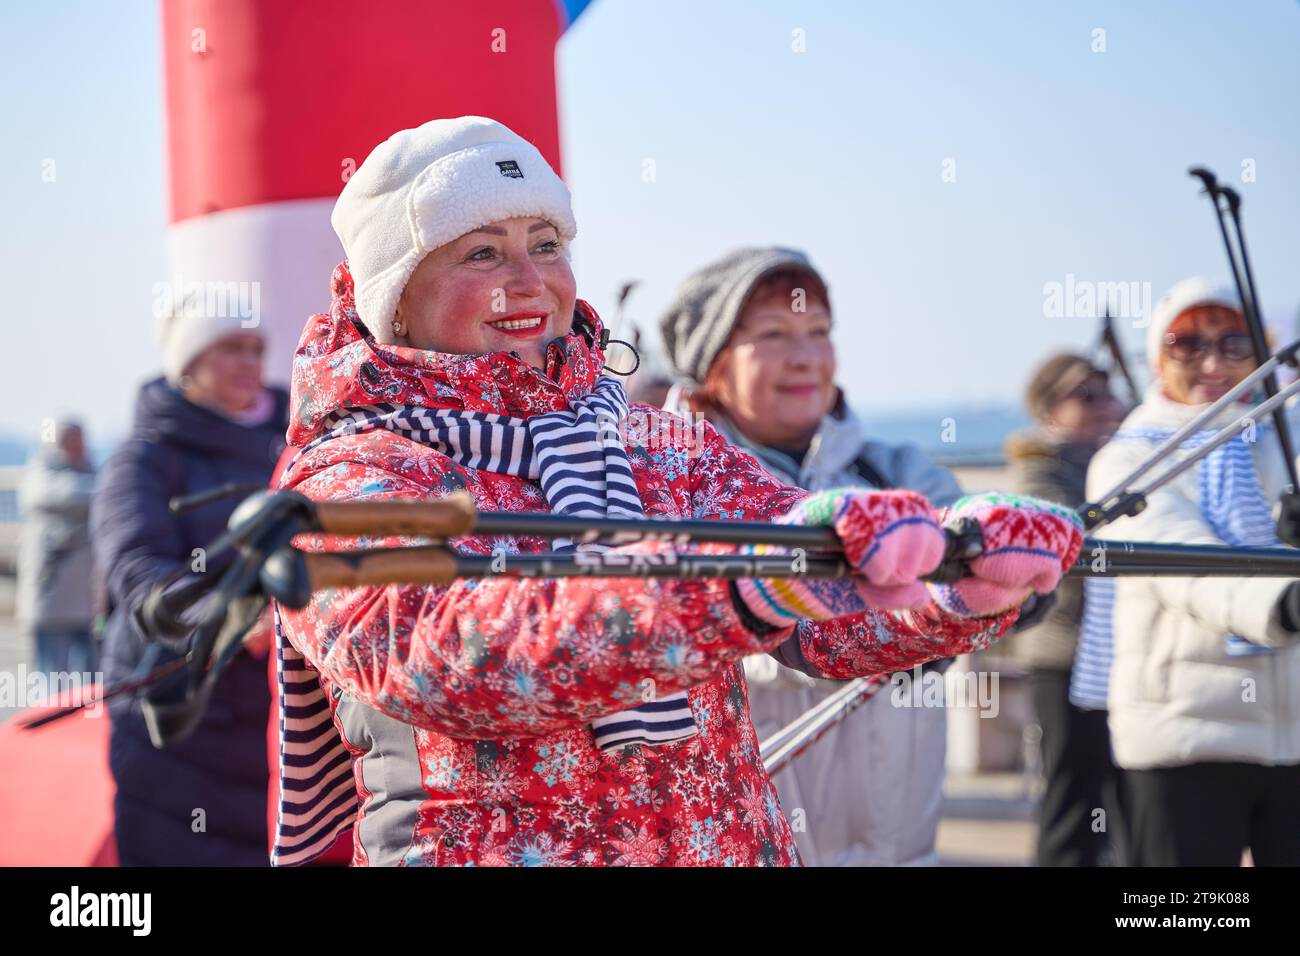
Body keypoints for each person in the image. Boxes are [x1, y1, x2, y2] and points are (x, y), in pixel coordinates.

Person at [271, 115, 1083, 867]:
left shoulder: (656, 441)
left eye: (546, 243)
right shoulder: (350, 476)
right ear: (396, 299)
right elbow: (452, 660)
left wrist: (958, 585)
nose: (527, 280)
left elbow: (814, 602)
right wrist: (728, 589)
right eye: (481, 253)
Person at [657, 246, 963, 866]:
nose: (804, 356)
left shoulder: (896, 471)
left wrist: (1000, 578)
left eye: (818, 332)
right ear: (711, 364)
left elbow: (971, 574)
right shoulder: (663, 485)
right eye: (772, 334)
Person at [1083, 277, 1300, 866]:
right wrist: (1283, 604)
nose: (1212, 362)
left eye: (1235, 345)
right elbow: (1186, 566)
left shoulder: (1289, 433)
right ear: (1157, 357)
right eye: (1187, 345)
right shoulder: (1129, 458)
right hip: (1183, 738)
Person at [90, 298, 288, 866]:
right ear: (187, 362)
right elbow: (138, 571)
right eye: (230, 347)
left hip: (273, 717)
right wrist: (234, 620)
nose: (250, 362)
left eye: (257, 348)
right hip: (178, 719)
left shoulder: (296, 442)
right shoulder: (144, 459)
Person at [999, 353, 1125, 866]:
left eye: (1106, 391)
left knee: (1123, 803)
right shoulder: (1038, 474)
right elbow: (1062, 545)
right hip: (1064, 659)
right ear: (1050, 412)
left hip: (1113, 659)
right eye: (1085, 396)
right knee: (1072, 799)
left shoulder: (1111, 463)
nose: (1105, 405)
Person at [16, 419, 98, 678]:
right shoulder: (42, 475)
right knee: (53, 677)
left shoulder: (93, 474)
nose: (76, 446)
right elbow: (54, 494)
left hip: (87, 598)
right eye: (70, 440)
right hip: (51, 592)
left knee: (90, 677)